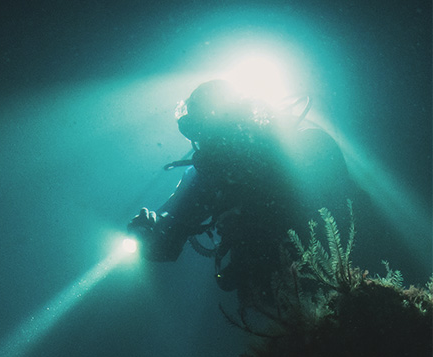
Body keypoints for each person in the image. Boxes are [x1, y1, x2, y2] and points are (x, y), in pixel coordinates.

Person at [128, 79, 358, 303]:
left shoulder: (299, 148)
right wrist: (149, 236)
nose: (208, 145)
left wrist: (258, 216)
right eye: (201, 135)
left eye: (214, 132)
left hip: (343, 283)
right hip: (276, 300)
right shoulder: (205, 178)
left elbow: (343, 214)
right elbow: (169, 241)